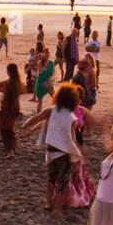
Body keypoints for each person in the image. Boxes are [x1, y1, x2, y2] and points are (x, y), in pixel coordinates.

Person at [23, 83, 84, 216]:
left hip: (50, 152)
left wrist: (26, 125)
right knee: (62, 183)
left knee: (51, 179)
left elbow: (36, 118)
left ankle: (48, 202)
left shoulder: (51, 110)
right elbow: (72, 140)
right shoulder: (72, 119)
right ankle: (57, 209)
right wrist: (78, 154)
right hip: (63, 154)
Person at [0, 63, 24, 159]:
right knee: (9, 129)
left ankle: (10, 150)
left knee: (5, 130)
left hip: (7, 109)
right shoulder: (18, 83)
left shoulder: (8, 83)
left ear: (8, 72)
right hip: (14, 109)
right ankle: (9, 148)